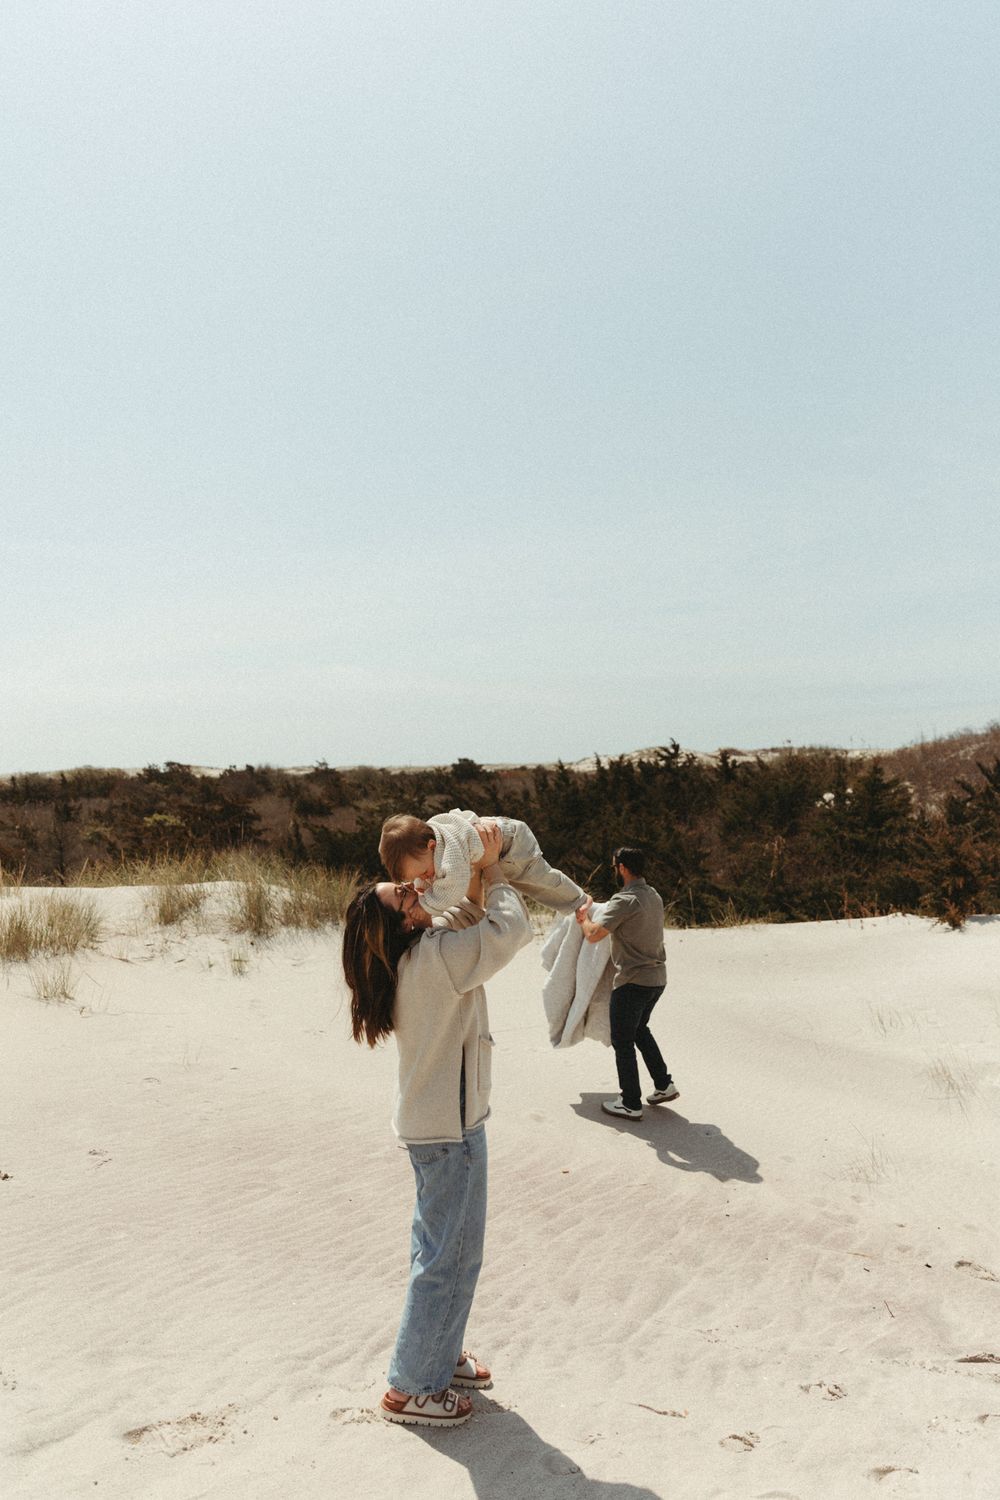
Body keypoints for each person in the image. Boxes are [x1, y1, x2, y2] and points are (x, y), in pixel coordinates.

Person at [341, 824, 531, 1427]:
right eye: (404, 894)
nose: (416, 889)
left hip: (437, 1125)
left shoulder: (423, 952)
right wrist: (496, 868)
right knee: (449, 1257)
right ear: (401, 923)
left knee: (443, 1249)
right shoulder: (433, 961)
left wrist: (467, 870)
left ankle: (435, 1356)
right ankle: (411, 1388)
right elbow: (510, 930)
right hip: (449, 1133)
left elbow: (467, 916)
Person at [575, 846, 677, 1121]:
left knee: (622, 1041)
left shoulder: (625, 900)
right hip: (657, 979)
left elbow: (594, 935)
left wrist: (583, 920)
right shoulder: (653, 895)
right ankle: (664, 1084)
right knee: (640, 1030)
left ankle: (630, 1102)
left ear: (621, 868)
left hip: (633, 981)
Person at [379, 807, 586, 919]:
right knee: (527, 888)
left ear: (432, 846)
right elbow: (427, 879)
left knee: (540, 881)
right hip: (496, 842)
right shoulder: (429, 848)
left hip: (511, 846)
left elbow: (454, 888)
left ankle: (579, 901)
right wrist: (421, 888)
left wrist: (425, 905)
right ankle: (572, 907)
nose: (424, 878)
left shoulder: (449, 855)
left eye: (424, 872)